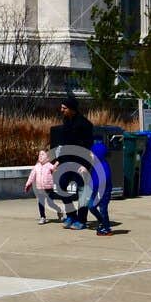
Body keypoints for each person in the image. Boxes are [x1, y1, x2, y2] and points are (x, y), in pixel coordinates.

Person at [49, 93, 96, 230]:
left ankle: (81, 220)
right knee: (61, 185)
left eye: (64, 108)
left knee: (82, 191)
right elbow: (64, 144)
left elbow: (88, 147)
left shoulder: (85, 125)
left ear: (71, 108)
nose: (62, 110)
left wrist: (86, 165)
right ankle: (71, 215)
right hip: (66, 162)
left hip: (81, 163)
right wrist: (58, 161)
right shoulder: (66, 122)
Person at [23, 149, 60, 223]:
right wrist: (28, 184)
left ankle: (58, 210)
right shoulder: (36, 166)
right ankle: (42, 217)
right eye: (39, 154)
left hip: (48, 188)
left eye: (43, 154)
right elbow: (31, 176)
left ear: (47, 158)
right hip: (39, 188)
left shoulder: (49, 165)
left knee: (50, 203)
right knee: (41, 202)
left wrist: (56, 164)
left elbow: (54, 169)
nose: (40, 156)